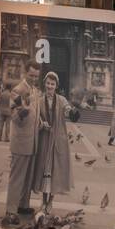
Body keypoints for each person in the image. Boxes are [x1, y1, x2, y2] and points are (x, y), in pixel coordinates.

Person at [30, 71, 77, 215]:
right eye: (48, 83)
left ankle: (51, 201)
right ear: (45, 84)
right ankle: (44, 201)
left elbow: (67, 110)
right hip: (45, 139)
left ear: (56, 85)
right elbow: (35, 115)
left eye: (53, 84)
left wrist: (73, 112)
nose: (50, 86)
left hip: (58, 140)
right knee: (45, 170)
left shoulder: (62, 100)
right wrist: (41, 123)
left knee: (56, 171)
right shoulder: (39, 100)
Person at [4, 66, 41, 219]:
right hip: (21, 142)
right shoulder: (17, 91)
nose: (34, 78)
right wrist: (23, 112)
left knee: (27, 177)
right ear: (25, 73)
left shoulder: (35, 91)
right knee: (17, 177)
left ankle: (23, 205)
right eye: (31, 75)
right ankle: (11, 211)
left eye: (36, 76)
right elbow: (15, 117)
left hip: (32, 142)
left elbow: (36, 113)